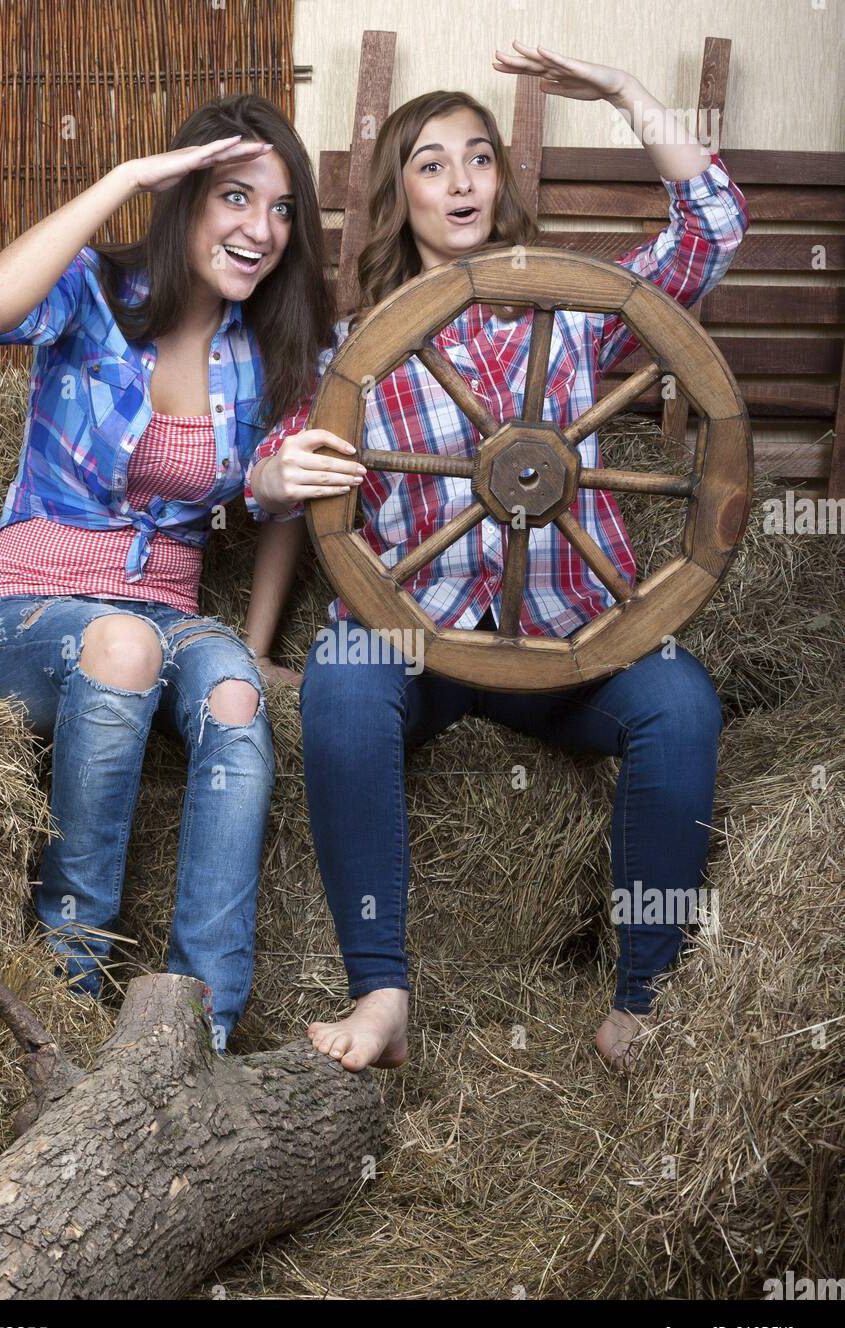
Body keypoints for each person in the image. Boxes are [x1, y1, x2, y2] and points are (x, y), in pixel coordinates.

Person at [245, 44, 750, 1073]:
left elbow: (710, 233)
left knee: (682, 703)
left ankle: (640, 1001)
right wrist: (272, 476)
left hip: (564, 652)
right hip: (419, 649)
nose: (463, 179)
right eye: (431, 164)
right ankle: (380, 992)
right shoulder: (357, 350)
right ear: (398, 196)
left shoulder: (571, 319)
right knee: (342, 680)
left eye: (479, 157)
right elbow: (266, 469)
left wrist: (623, 89)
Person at [0, 94, 346, 1048]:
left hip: (164, 614)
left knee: (235, 699)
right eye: (234, 197)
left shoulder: (271, 349)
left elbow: (275, 501)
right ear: (184, 198)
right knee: (124, 644)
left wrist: (253, 642)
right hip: (31, 609)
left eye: (283, 209)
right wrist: (126, 180)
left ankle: (196, 1028)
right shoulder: (95, 293)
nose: (260, 229)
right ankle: (67, 992)